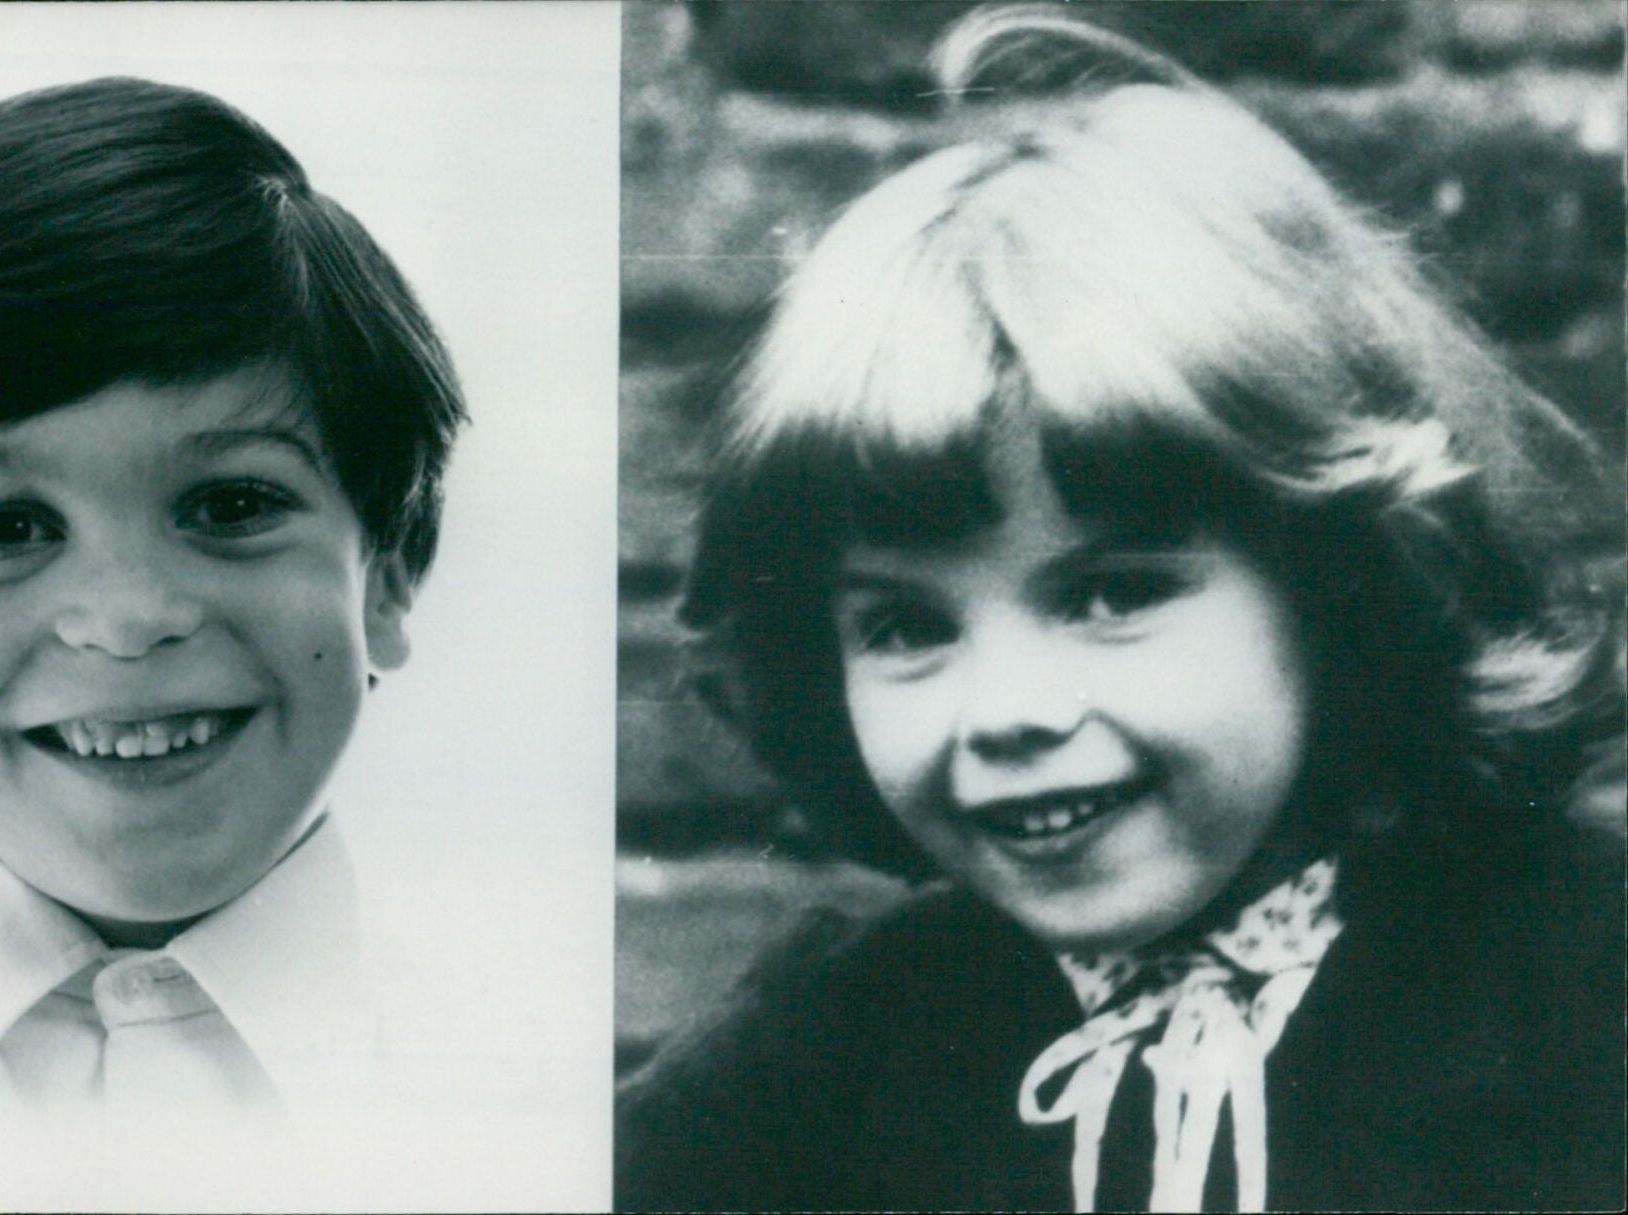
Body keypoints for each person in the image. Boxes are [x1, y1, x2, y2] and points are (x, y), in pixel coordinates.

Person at [615, 9, 1624, 1212]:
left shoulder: (1571, 976)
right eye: (904, 626)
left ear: (1338, 586)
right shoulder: (839, 1046)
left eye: (1110, 595)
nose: (1005, 713)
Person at [0, 75, 464, 1201]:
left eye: (232, 506)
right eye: (4, 526)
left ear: (387, 570)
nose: (129, 618)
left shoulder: (566, 1106)